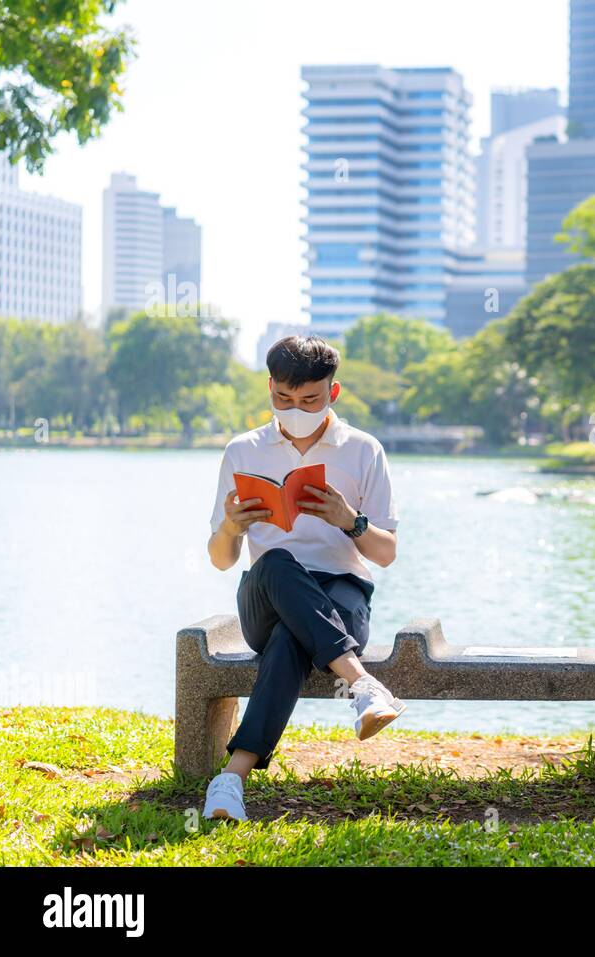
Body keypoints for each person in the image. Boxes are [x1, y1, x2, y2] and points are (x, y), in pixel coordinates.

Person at [201, 335, 406, 822]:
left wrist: (348, 518)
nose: (296, 409)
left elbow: (387, 553)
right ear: (270, 387)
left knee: (290, 641)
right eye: (283, 399)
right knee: (274, 561)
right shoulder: (242, 450)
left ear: (332, 393)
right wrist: (233, 526)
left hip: (341, 596)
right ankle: (362, 685)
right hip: (265, 595)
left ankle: (231, 779)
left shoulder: (363, 450)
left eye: (309, 400)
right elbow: (221, 559)